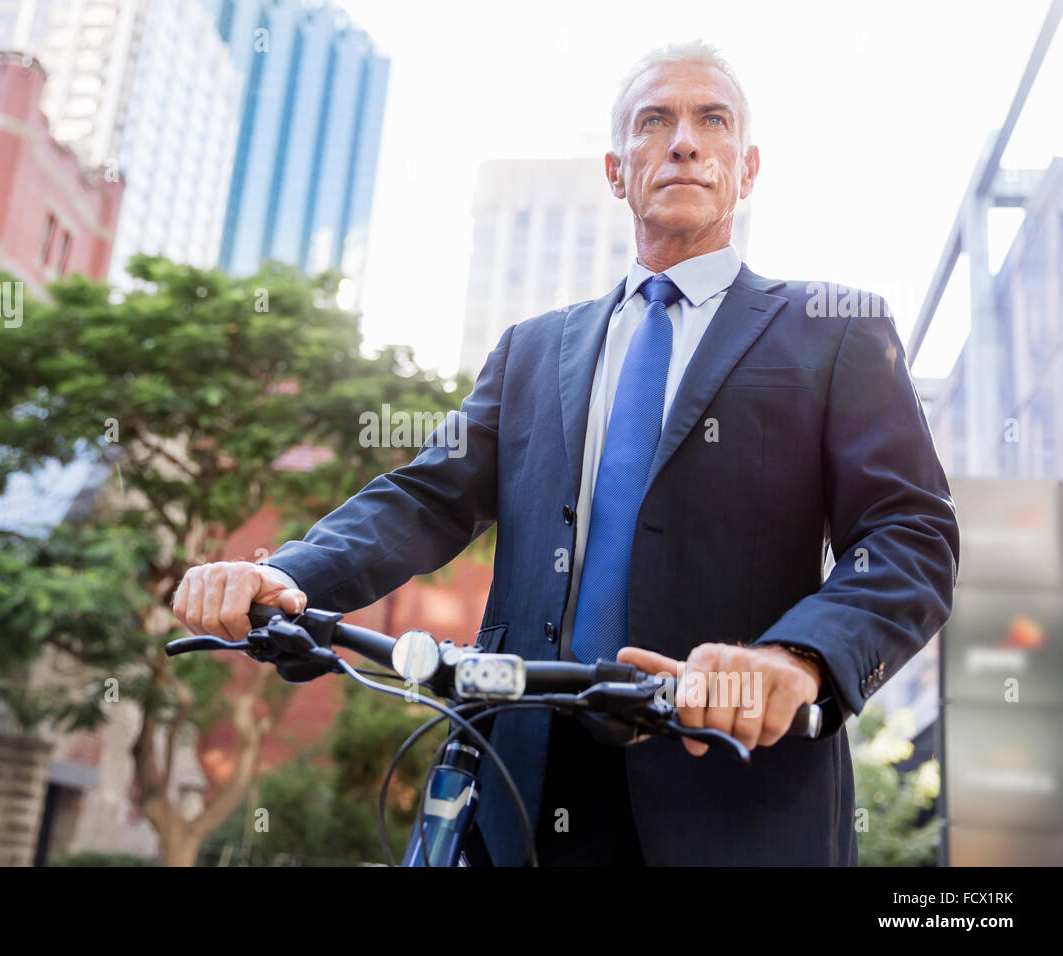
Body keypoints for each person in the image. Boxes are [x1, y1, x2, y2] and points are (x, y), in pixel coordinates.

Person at [171, 40, 959, 866]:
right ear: (618, 170)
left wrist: (797, 659)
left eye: (711, 120)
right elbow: (424, 496)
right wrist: (288, 573)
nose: (684, 141)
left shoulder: (835, 328)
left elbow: (910, 534)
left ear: (747, 166)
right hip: (521, 778)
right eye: (655, 121)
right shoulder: (533, 350)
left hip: (730, 784)